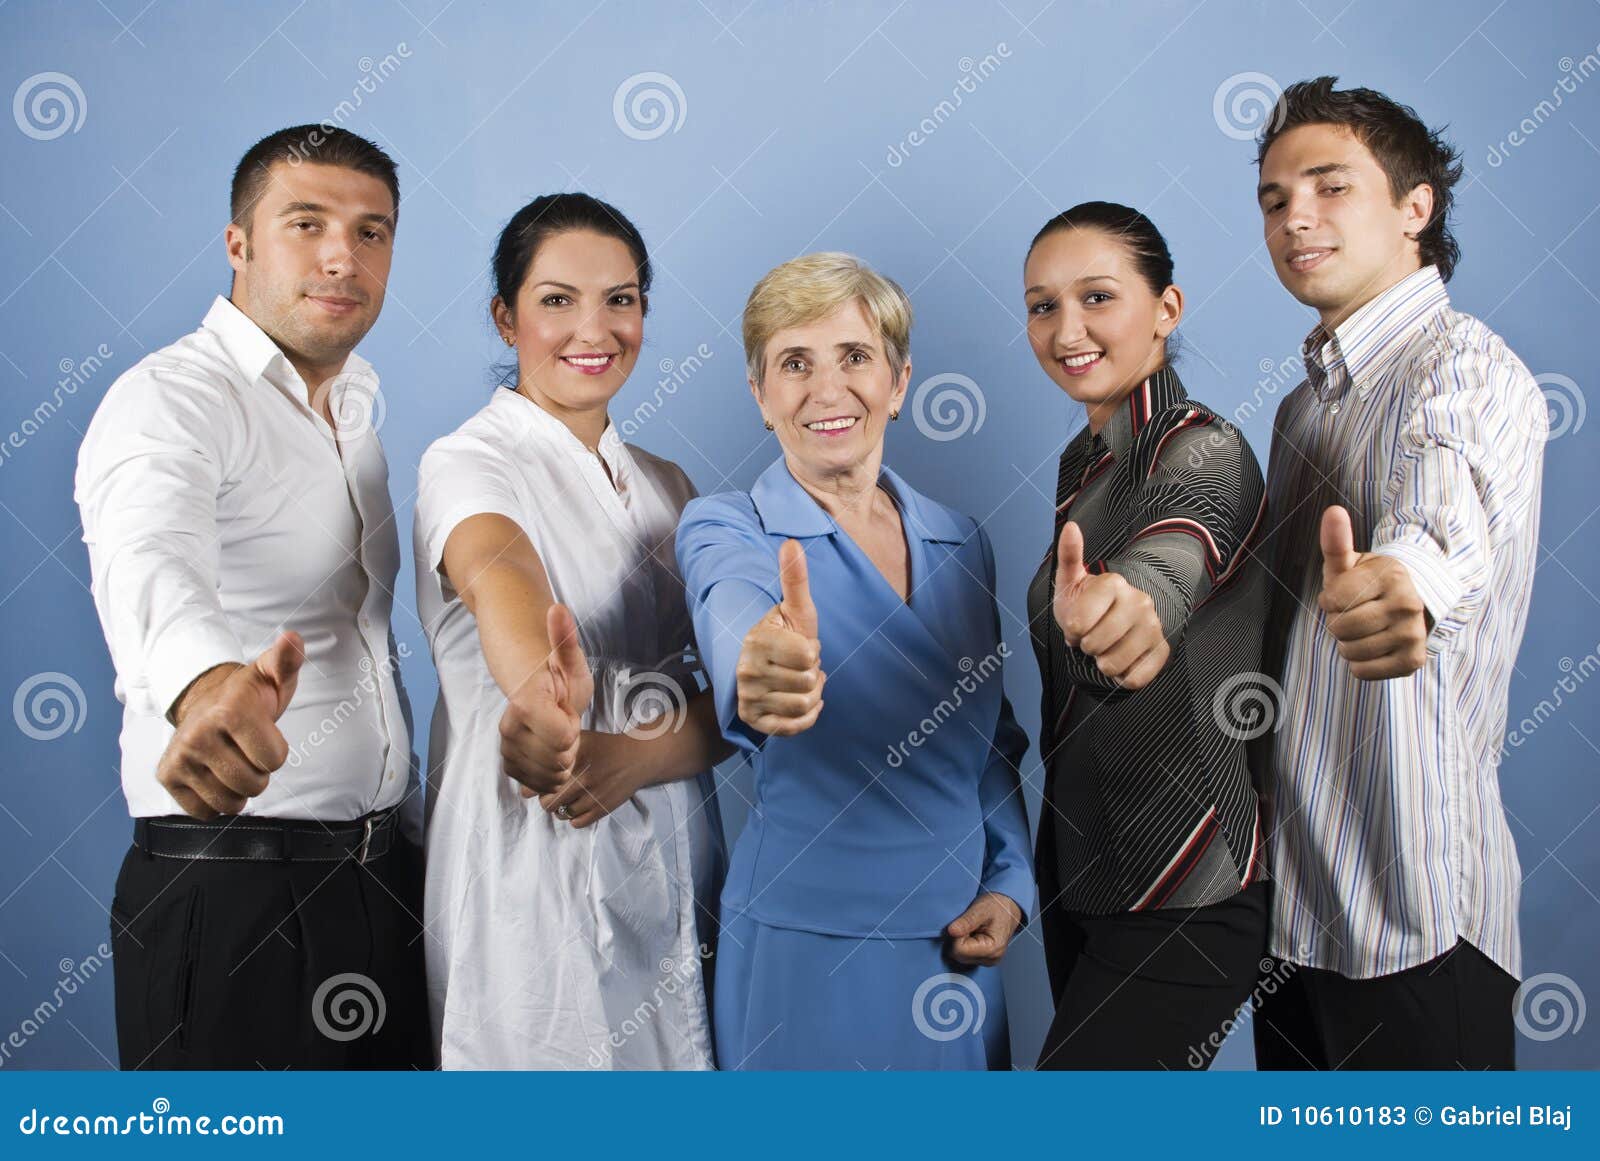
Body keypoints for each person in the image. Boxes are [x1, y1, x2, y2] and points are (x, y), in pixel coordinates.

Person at [75, 126, 430, 1069]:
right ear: (239, 244)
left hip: (381, 884)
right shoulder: (170, 400)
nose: (340, 257)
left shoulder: (353, 410)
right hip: (235, 898)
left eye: (371, 232)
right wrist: (207, 685)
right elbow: (151, 554)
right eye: (305, 223)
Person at [1250, 77, 1546, 1069]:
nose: (1295, 216)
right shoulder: (1302, 412)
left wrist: (1402, 587)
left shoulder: (1463, 369)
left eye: (1329, 187)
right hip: (1296, 925)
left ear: (1414, 208)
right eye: (1273, 197)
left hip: (1418, 925)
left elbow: (1440, 520)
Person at [676, 252, 1034, 1070]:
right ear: (762, 396)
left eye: (855, 357)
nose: (827, 389)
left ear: (900, 383)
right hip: (805, 950)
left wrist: (1010, 882)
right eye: (794, 363)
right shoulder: (727, 527)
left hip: (956, 944)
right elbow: (733, 613)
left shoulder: (960, 540)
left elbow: (988, 744)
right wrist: (761, 669)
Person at [415, 193, 730, 1069]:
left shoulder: (670, 485)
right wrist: (541, 698)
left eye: (620, 299)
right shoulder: (469, 459)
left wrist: (637, 757)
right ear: (504, 316)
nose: (593, 327)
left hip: (676, 838)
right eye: (556, 299)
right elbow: (499, 572)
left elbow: (734, 699)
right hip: (531, 846)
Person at [1022, 202, 1271, 1069]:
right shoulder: (1082, 463)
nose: (1067, 329)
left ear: (1166, 308)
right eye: (1042, 305)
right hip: (1088, 875)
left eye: (1097, 297)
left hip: (1185, 885)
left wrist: (1126, 609)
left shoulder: (1206, 449)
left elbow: (1169, 566)